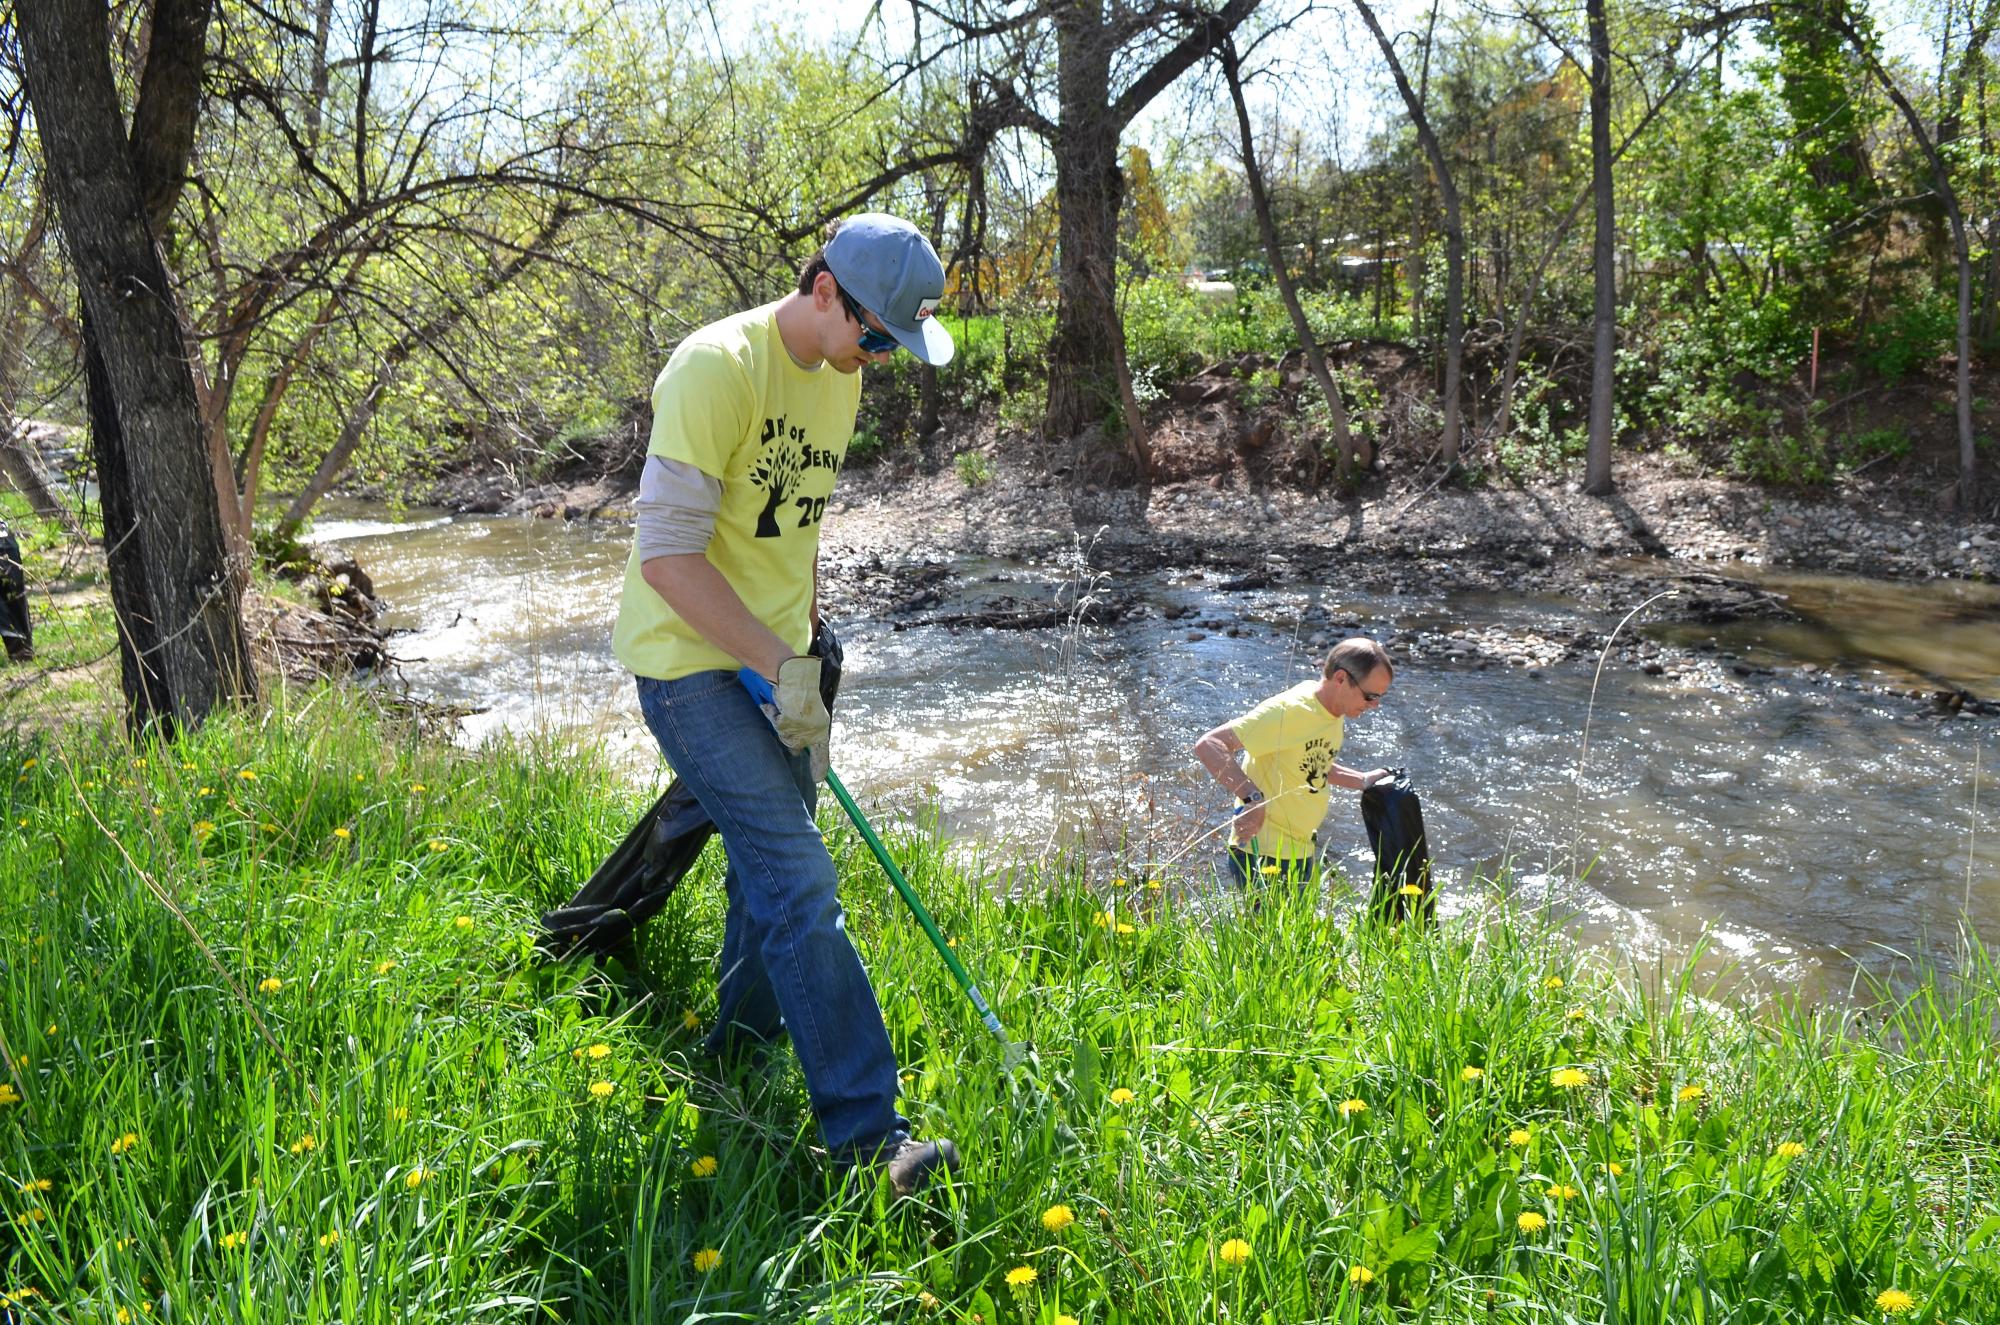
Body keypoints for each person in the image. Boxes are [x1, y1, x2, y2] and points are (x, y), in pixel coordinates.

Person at [609, 214, 958, 1195]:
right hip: (690, 664)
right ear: (821, 290)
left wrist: (803, 652)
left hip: (779, 657)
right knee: (802, 878)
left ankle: (733, 1050)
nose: (879, 356)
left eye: (895, 341)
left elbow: (791, 533)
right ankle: (867, 1141)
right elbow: (668, 558)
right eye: (876, 334)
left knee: (763, 876)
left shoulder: (836, 380)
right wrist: (770, 663)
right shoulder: (714, 369)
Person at [1192, 637, 1395, 888]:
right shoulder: (1289, 711)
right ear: (1341, 679)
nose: (1375, 706)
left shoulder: (1332, 710)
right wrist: (1252, 798)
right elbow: (1209, 744)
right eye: (1370, 696)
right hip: (1262, 853)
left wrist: (1362, 780)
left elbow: (1310, 761)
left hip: (1299, 850)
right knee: (1264, 929)